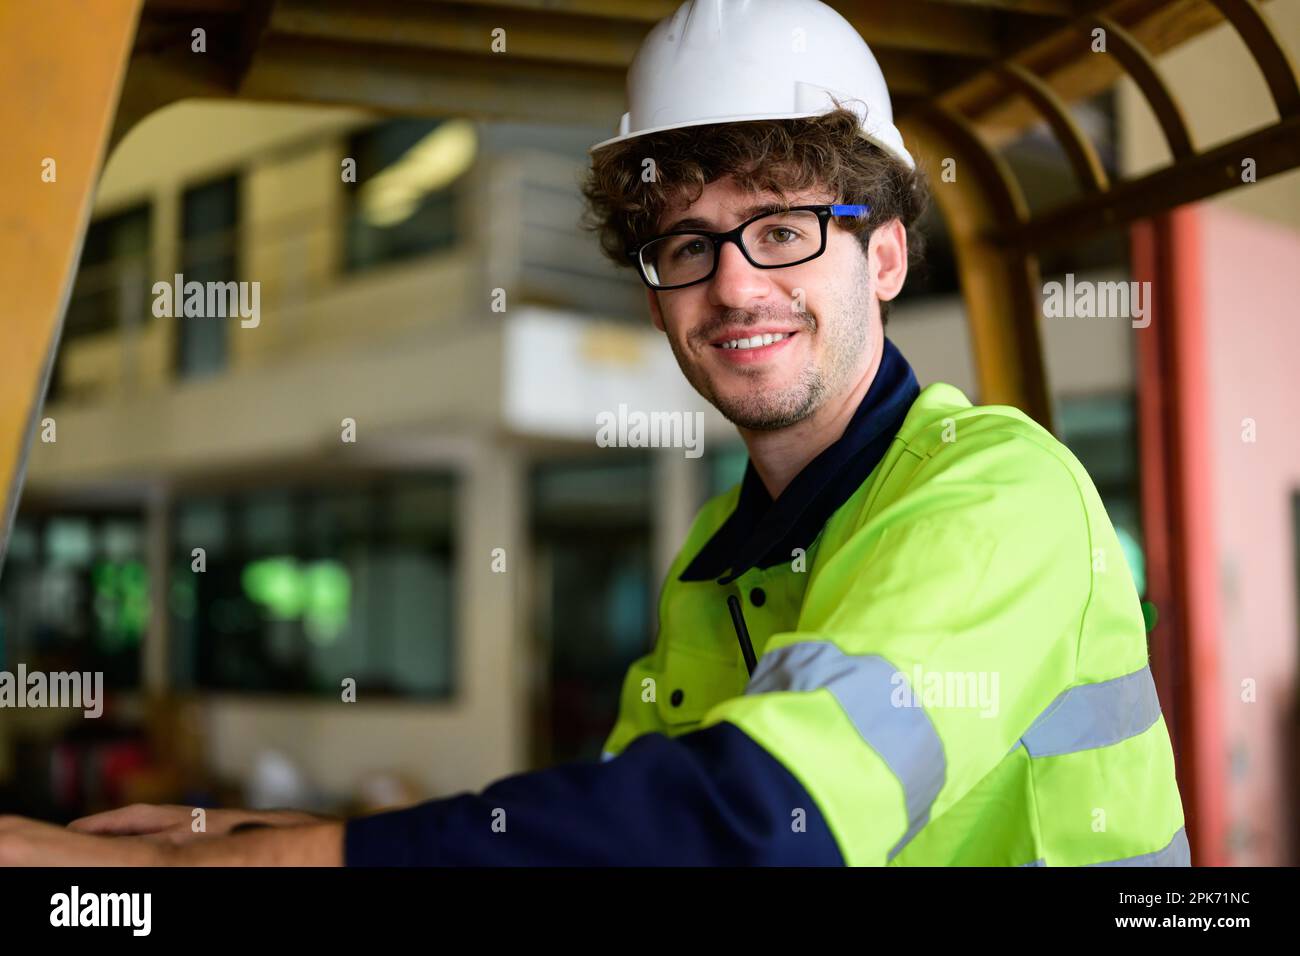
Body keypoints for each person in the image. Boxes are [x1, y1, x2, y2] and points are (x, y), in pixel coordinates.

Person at [0, 0, 1186, 867]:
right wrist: (293, 835)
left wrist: (260, 866)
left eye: (781, 229)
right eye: (687, 245)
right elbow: (630, 829)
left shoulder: (999, 496)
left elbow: (759, 821)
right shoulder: (720, 554)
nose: (733, 286)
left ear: (881, 256)